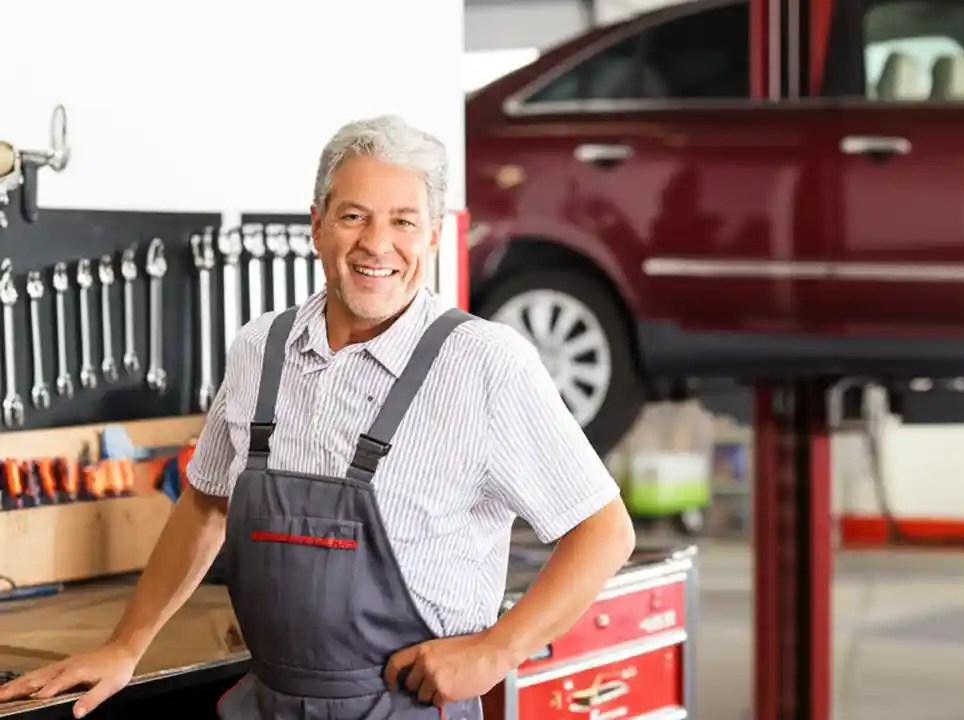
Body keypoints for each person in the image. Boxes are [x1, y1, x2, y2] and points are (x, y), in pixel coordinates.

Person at [0, 115, 637, 718]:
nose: (376, 244)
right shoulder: (259, 350)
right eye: (353, 216)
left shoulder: (485, 364)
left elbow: (605, 531)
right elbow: (205, 505)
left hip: (403, 708)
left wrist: (496, 650)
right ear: (316, 225)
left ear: (435, 235)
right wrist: (125, 646)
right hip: (268, 703)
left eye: (404, 222)